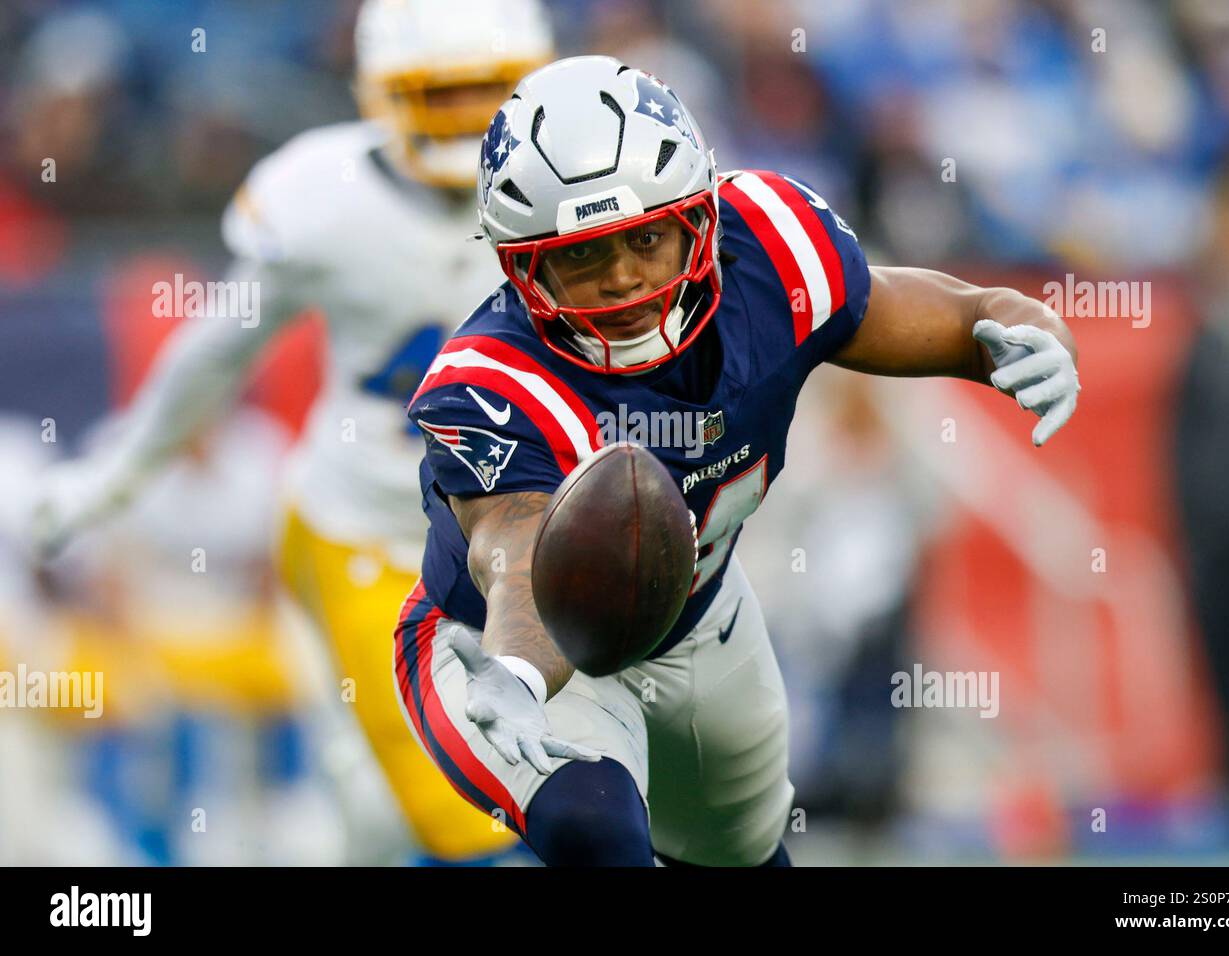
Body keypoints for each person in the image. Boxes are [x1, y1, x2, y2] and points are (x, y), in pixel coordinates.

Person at [398, 55, 1080, 866]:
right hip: (511, 654)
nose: (622, 279)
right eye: (582, 256)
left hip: (703, 626)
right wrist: (515, 673)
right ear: (523, 267)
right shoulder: (489, 380)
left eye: (646, 238)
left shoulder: (772, 253)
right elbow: (518, 553)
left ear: (700, 217)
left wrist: (1031, 329)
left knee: (746, 859)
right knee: (594, 826)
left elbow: (959, 317)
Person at [29, 0, 553, 865]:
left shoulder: (581, 186)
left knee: (536, 779)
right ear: (380, 93)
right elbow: (214, 351)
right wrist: (115, 477)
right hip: (374, 528)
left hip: (536, 527)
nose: (468, 123)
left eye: (488, 95)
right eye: (442, 95)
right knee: (465, 803)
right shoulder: (324, 201)